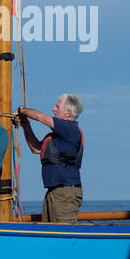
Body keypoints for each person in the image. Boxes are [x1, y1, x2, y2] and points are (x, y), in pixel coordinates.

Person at [18, 94, 84, 223]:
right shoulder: (59, 136)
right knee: (50, 231)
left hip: (65, 191)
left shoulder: (69, 128)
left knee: (64, 233)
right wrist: (26, 125)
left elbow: (41, 117)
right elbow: (36, 148)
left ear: (68, 113)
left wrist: (21, 110)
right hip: (55, 191)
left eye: (57, 107)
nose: (53, 109)